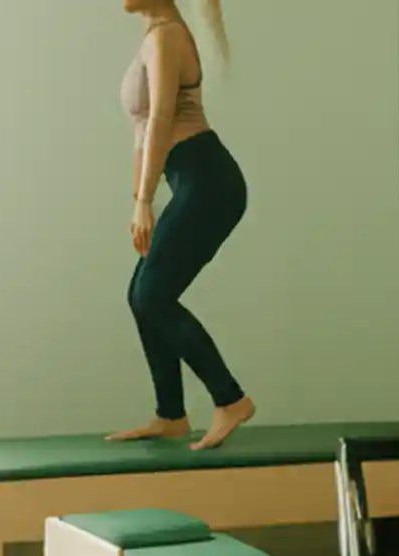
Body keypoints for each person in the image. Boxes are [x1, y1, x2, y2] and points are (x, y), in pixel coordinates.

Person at [107, 0, 255, 450]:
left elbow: (161, 119)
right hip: (191, 180)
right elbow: (141, 130)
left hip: (209, 180)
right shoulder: (152, 38)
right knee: (142, 295)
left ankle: (230, 399)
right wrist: (138, 200)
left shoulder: (168, 36)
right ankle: (170, 414)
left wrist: (146, 199)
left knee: (152, 294)